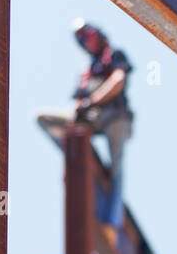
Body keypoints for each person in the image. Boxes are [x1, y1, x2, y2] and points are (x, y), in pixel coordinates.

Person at [36, 19, 134, 235]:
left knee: (117, 167)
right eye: (81, 38)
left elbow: (118, 81)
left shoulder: (114, 56)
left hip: (115, 117)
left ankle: (112, 219)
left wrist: (94, 100)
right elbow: (79, 103)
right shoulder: (88, 71)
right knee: (44, 118)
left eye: (86, 34)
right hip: (91, 119)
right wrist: (80, 110)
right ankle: (76, 150)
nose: (85, 40)